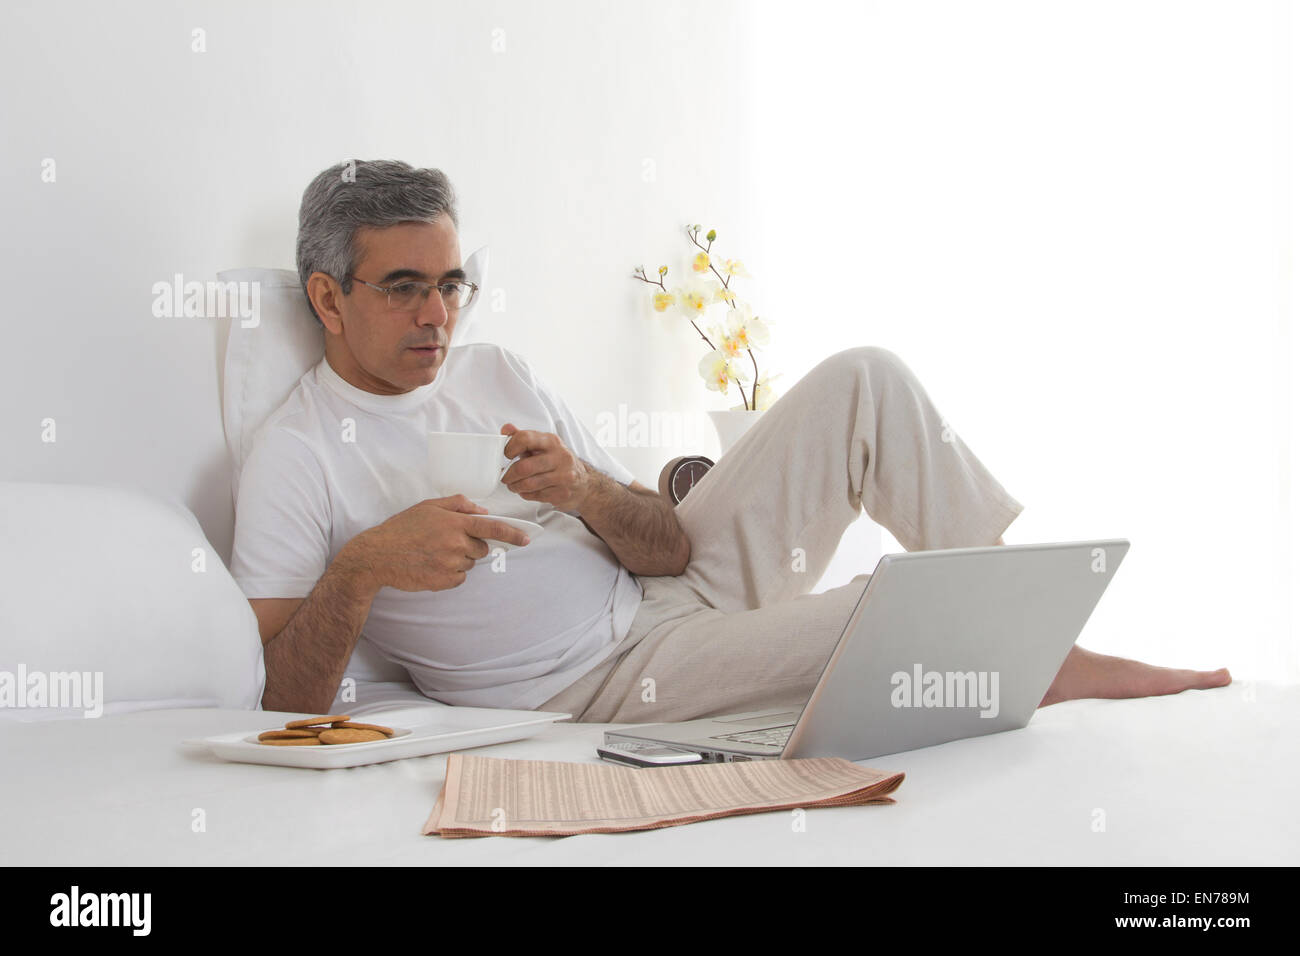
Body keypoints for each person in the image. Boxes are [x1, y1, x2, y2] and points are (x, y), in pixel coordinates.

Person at [231, 159, 1231, 722]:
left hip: (667, 587)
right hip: (599, 680)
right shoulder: (299, 452)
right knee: (884, 611)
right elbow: (279, 700)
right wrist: (363, 567)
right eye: (404, 287)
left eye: (452, 284)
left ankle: (1038, 630)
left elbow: (665, 544)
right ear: (327, 295)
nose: (437, 317)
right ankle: (1028, 650)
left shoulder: (494, 371)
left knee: (864, 377)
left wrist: (583, 488)